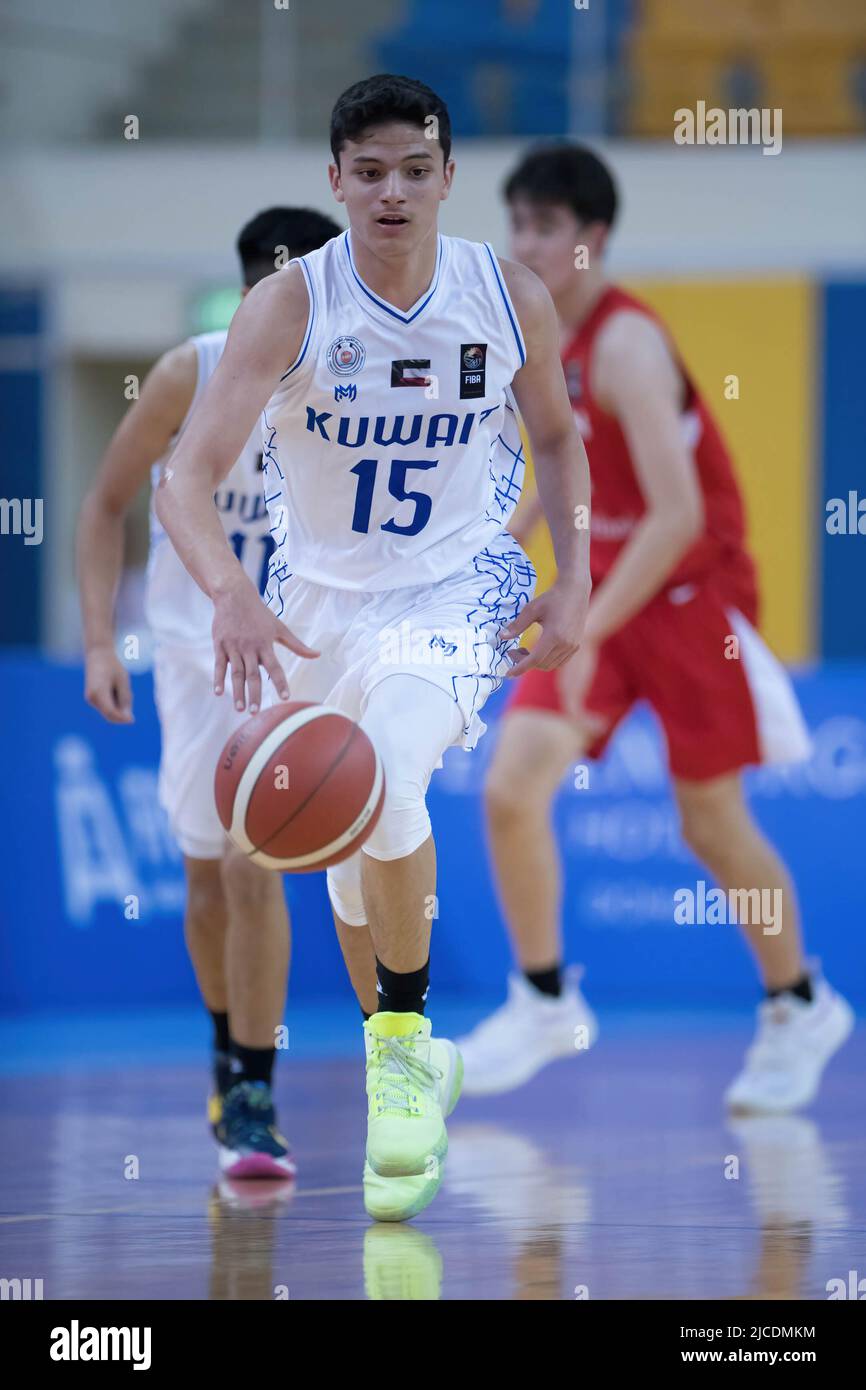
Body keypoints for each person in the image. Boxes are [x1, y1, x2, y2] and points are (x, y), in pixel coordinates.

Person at [154, 74, 591, 1220]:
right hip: (320, 605)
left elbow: (554, 436)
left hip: (456, 588)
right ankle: (406, 1056)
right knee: (348, 852)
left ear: (448, 178)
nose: (392, 191)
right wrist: (231, 593)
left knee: (392, 770)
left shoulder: (506, 296)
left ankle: (397, 1055)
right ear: (334, 181)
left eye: (414, 169)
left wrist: (576, 579)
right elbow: (184, 483)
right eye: (369, 171)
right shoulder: (289, 306)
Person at [458, 143, 853, 1111]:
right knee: (510, 788)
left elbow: (674, 515)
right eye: (516, 224)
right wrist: (484, 562)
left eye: (545, 227)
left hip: (687, 599)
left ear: (589, 241)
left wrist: (582, 620)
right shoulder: (534, 341)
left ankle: (796, 1002)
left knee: (709, 823)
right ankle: (544, 998)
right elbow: (556, 476)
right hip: (597, 592)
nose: (525, 244)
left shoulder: (628, 345)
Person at [78, 207, 342, 1179]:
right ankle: (227, 1041)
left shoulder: (348, 376)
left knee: (251, 863)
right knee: (202, 878)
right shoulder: (189, 373)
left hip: (290, 658)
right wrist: (102, 639)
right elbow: (106, 502)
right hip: (192, 656)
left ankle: (254, 1087)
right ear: (250, 298)